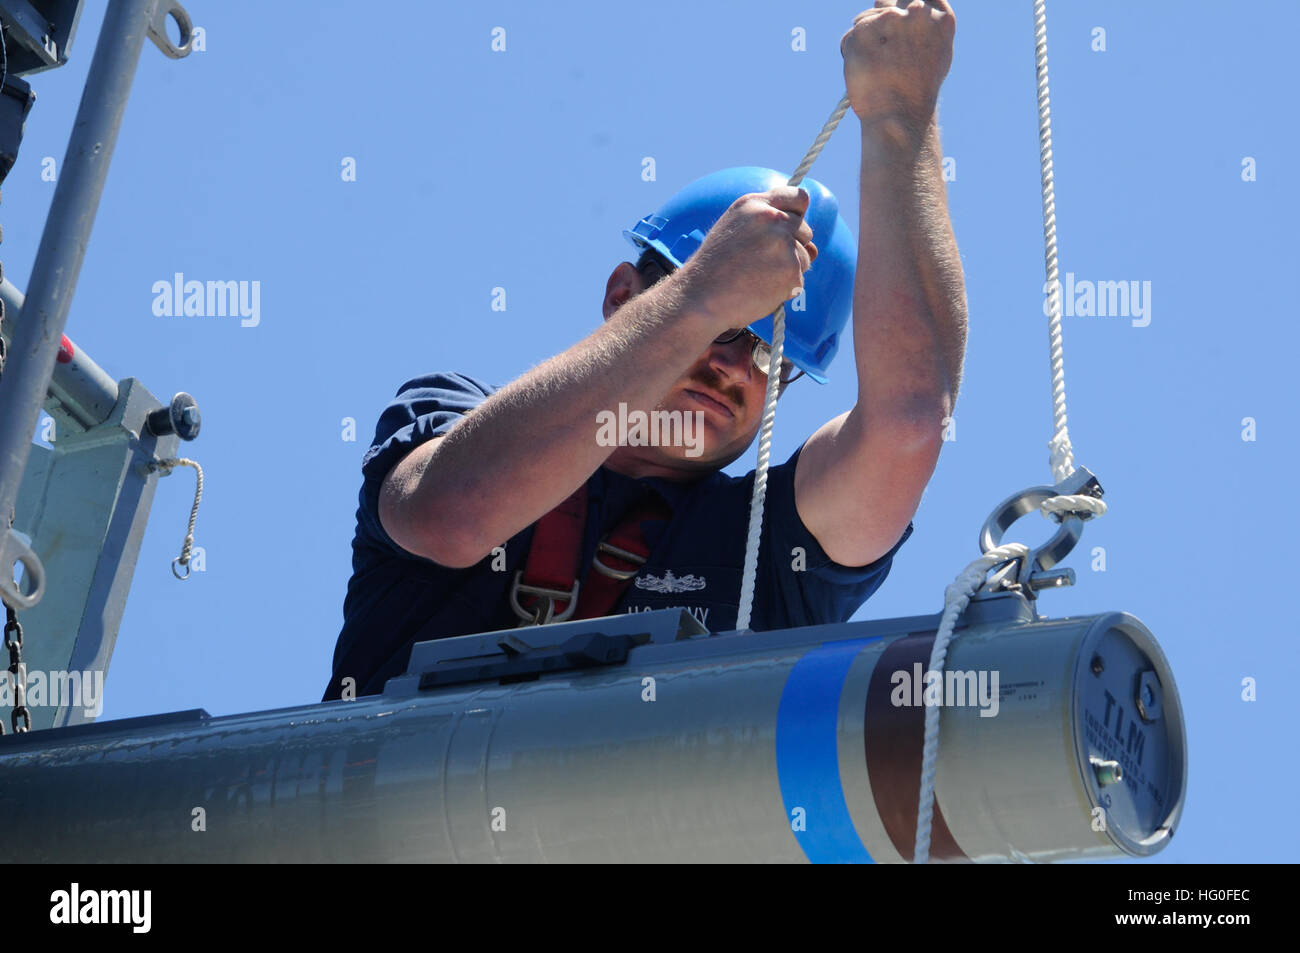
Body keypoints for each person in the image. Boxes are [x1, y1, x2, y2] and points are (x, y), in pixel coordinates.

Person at [323, 0, 963, 701]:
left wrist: (902, 118)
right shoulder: (453, 414)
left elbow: (907, 421)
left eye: (768, 357)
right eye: (728, 325)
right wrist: (699, 298)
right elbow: (449, 514)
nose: (733, 366)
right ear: (623, 294)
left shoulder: (771, 548)